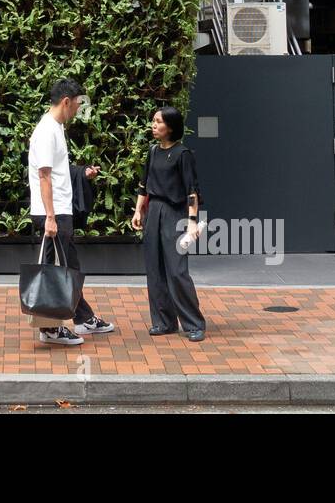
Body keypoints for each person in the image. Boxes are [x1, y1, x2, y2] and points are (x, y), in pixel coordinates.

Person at [27, 77, 115, 346]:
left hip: (59, 211)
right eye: (76, 105)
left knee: (68, 269)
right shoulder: (46, 131)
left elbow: (56, 170)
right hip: (52, 214)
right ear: (65, 102)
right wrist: (51, 218)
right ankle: (50, 329)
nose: (77, 110)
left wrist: (81, 173)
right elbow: (43, 176)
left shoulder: (55, 128)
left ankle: (82, 318)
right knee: (55, 272)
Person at [132, 105, 206, 342]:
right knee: (155, 269)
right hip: (154, 211)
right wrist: (138, 210)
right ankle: (164, 322)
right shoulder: (153, 152)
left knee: (177, 270)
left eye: (158, 122)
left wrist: (193, 222)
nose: (154, 125)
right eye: (153, 121)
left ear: (171, 127)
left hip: (175, 214)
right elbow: (144, 185)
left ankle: (194, 324)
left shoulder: (183, 154)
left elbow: (192, 191)